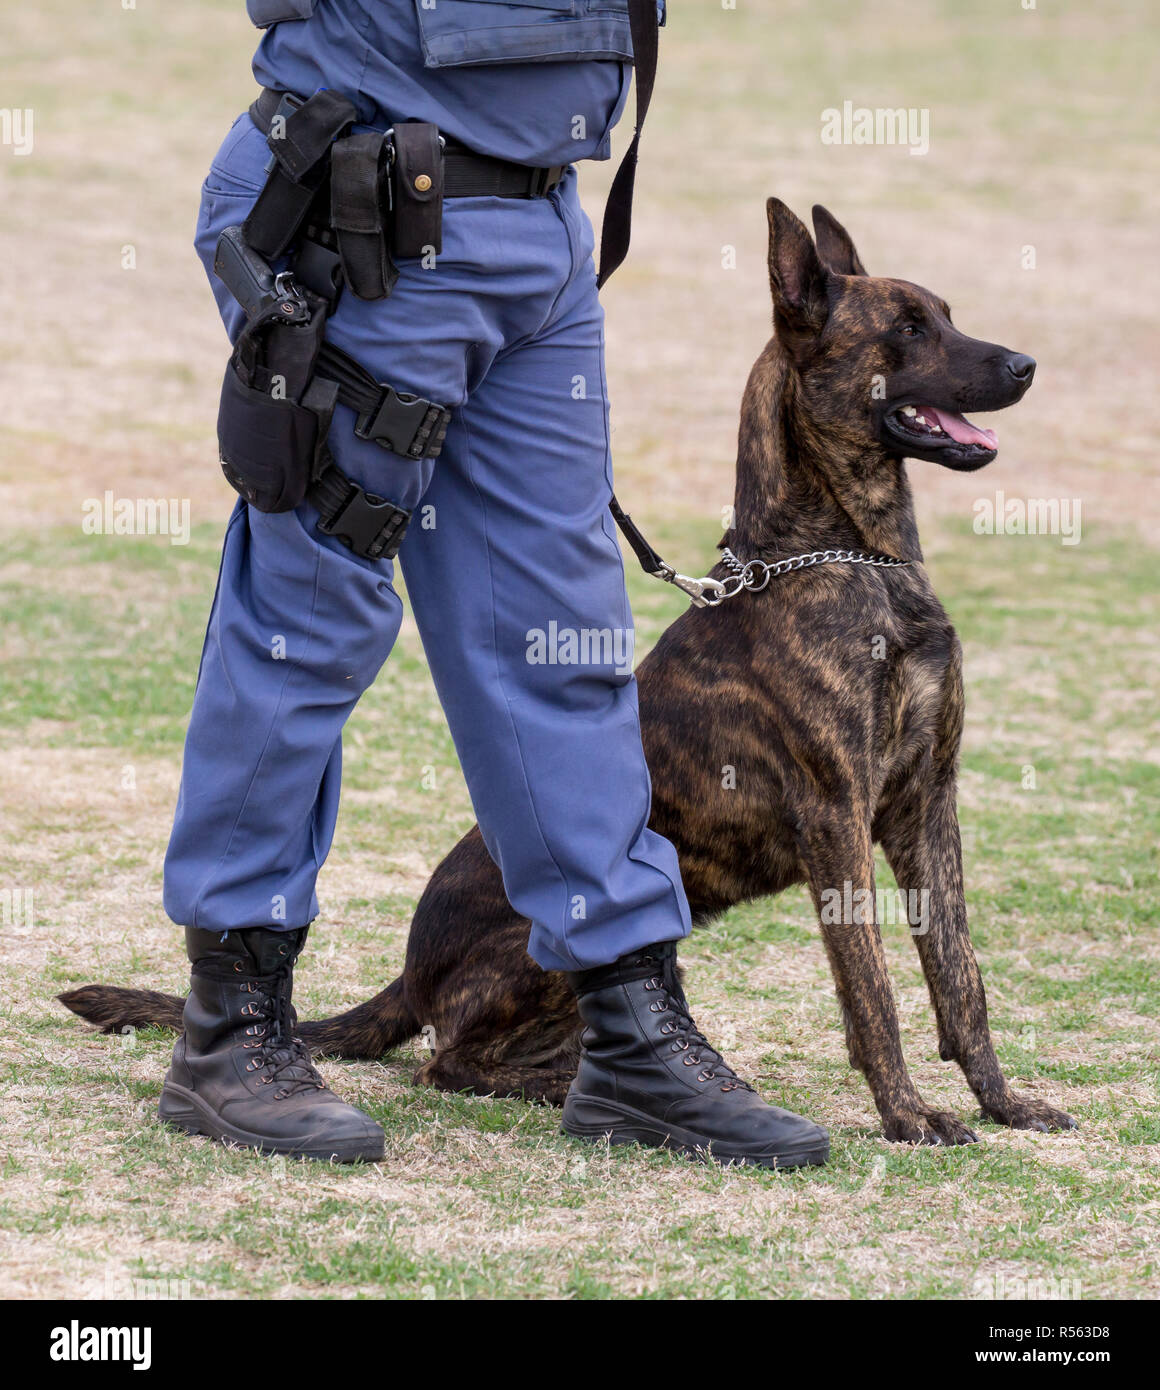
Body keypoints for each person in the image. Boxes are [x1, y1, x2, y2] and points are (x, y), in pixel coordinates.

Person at [158, 0, 829, 1170]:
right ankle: (231, 1025)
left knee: (562, 635)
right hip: (376, 208)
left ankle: (626, 1032)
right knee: (308, 617)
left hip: (538, 214)